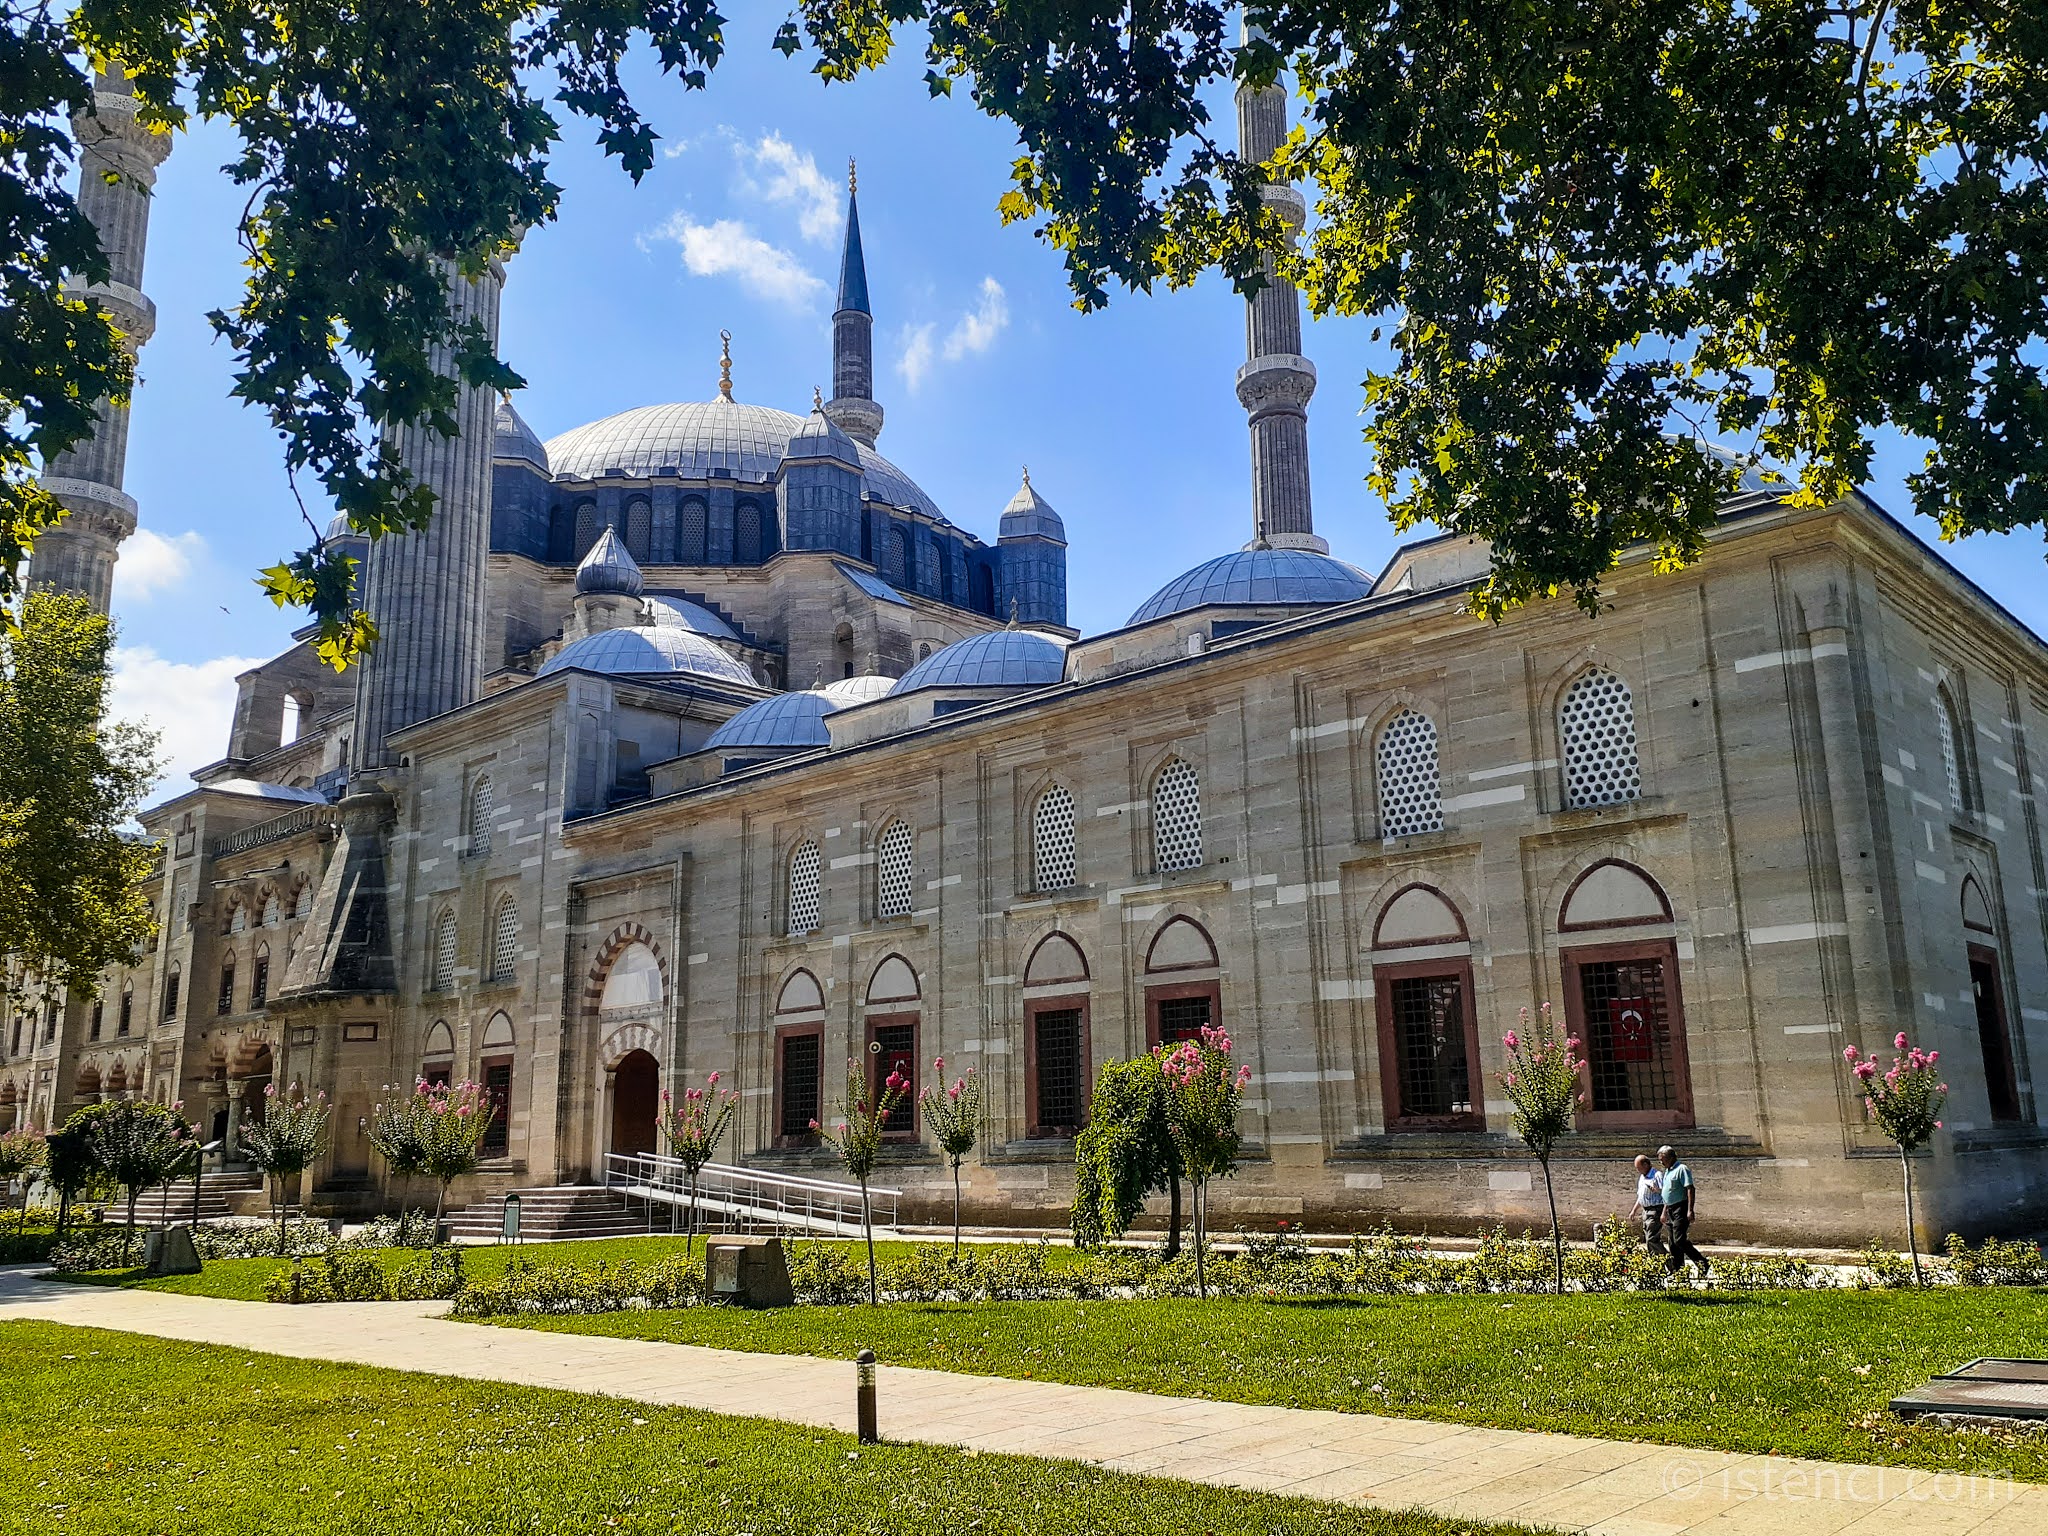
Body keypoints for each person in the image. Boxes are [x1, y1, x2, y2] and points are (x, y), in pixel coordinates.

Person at [1658, 1144, 1710, 1275]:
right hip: (1670, 1209)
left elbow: (1690, 1188)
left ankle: (1702, 1263)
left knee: (1679, 1239)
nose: (1660, 1161)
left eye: (1662, 1159)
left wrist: (1690, 1210)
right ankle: (1678, 1270)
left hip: (1680, 1208)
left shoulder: (1682, 1169)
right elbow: (1667, 1193)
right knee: (1672, 1242)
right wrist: (1664, 1212)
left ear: (1670, 1157)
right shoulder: (1668, 1171)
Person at [1628, 1154, 1666, 1255]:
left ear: (1646, 1165)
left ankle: (1670, 1263)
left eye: (1639, 1168)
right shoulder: (1642, 1178)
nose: (1638, 1170)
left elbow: (1666, 1193)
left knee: (1652, 1239)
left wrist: (1657, 1190)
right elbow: (1641, 1197)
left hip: (1656, 1210)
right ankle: (1656, 1264)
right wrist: (1634, 1211)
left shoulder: (1657, 1175)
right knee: (1649, 1240)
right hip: (1646, 1211)